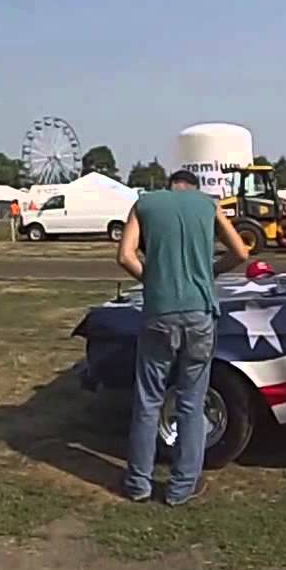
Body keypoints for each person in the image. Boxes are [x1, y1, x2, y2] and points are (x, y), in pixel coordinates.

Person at [116, 169, 249, 506]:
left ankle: (138, 484)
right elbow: (241, 252)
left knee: (148, 399)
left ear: (170, 185)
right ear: (193, 187)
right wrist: (210, 271)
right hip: (199, 312)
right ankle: (181, 487)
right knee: (191, 402)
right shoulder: (208, 204)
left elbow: (125, 256)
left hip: (159, 312)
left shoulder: (144, 204)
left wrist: (154, 280)